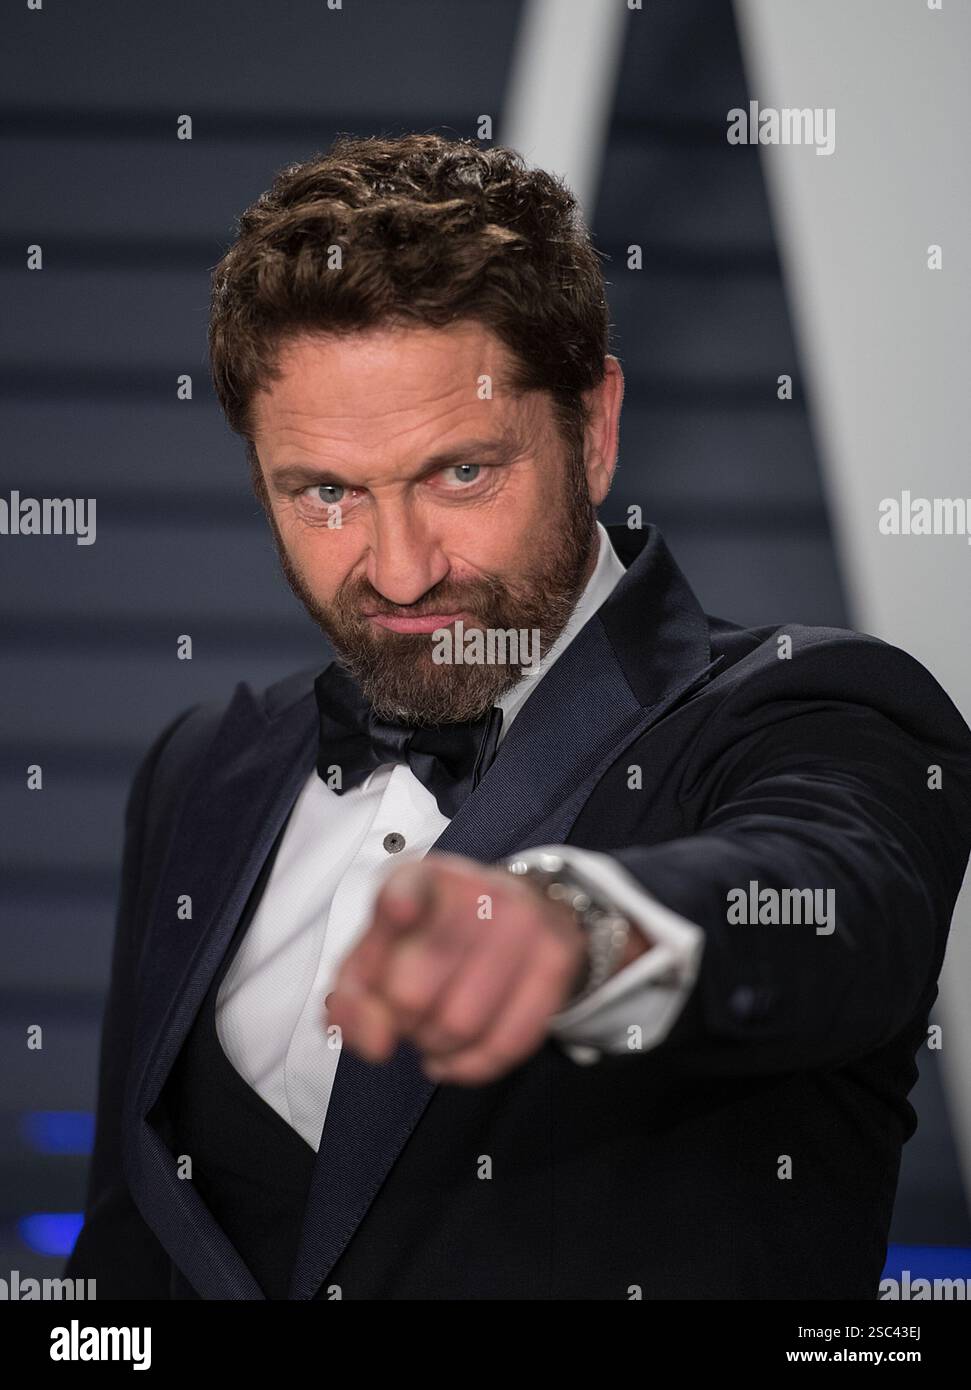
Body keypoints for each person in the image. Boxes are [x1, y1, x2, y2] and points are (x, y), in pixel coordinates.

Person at [65, 133, 971, 1300]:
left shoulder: (814, 707)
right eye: (326, 492)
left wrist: (574, 933)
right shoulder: (203, 767)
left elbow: (824, 902)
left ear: (591, 430)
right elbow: (127, 1236)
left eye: (459, 474)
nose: (396, 573)